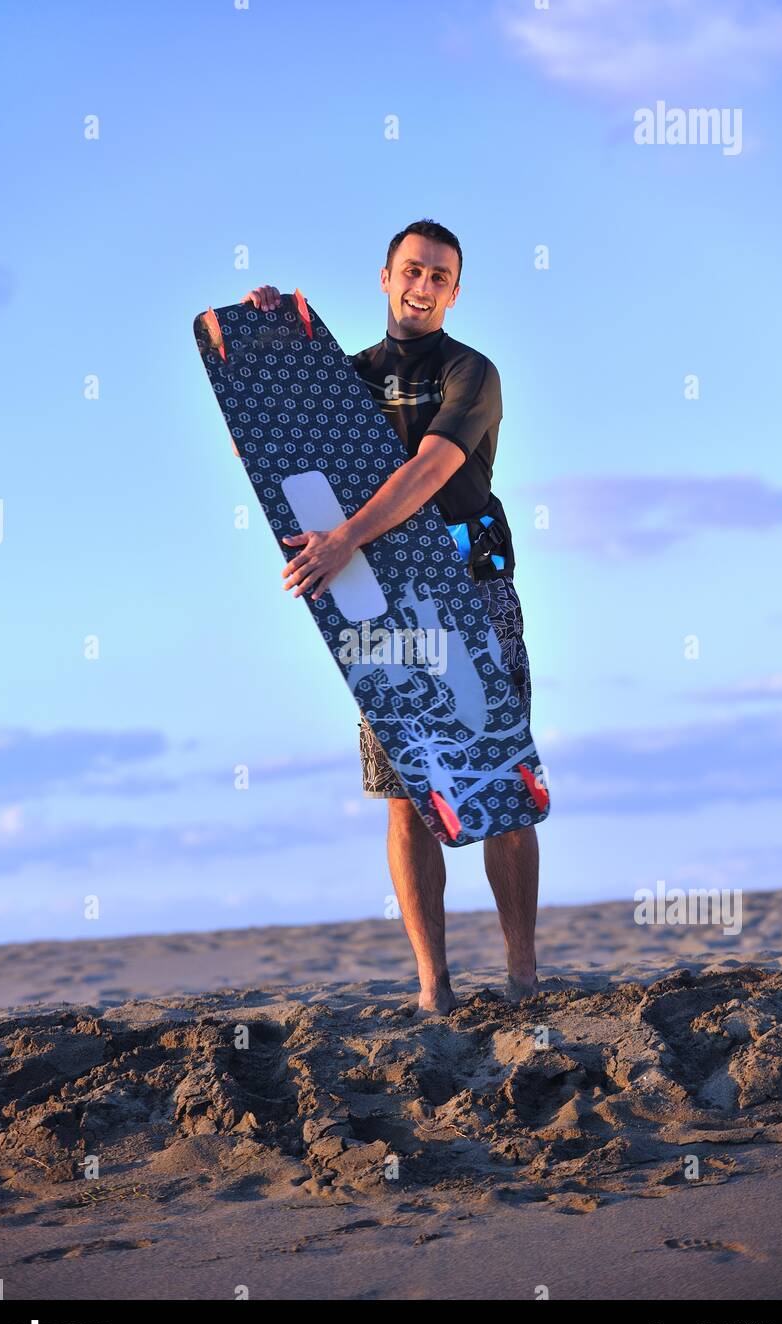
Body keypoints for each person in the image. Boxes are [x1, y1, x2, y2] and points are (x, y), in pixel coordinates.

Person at [245, 218, 541, 1016]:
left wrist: (341, 538)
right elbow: (272, 440)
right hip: (381, 600)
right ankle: (434, 988)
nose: (424, 285)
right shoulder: (347, 377)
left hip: (472, 587)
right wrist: (270, 336)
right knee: (407, 792)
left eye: (440, 276)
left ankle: (522, 976)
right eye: (412, 270)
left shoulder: (471, 373)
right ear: (384, 277)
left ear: (454, 291)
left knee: (501, 778)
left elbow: (429, 470)